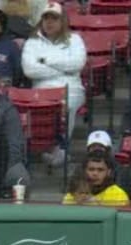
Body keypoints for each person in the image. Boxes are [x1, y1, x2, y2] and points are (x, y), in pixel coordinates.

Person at [20, 2, 84, 143]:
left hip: (70, 89)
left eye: (54, 18)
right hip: (41, 90)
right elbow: (29, 70)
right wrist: (64, 71)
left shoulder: (75, 40)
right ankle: (43, 146)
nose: (49, 22)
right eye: (46, 18)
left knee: (66, 107)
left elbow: (77, 64)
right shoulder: (32, 42)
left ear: (62, 21)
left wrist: (45, 60)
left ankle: (61, 148)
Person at [62, 153, 128, 205]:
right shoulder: (73, 193)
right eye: (91, 169)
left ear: (108, 172)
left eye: (100, 170)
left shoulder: (119, 195)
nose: (95, 173)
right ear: (84, 170)